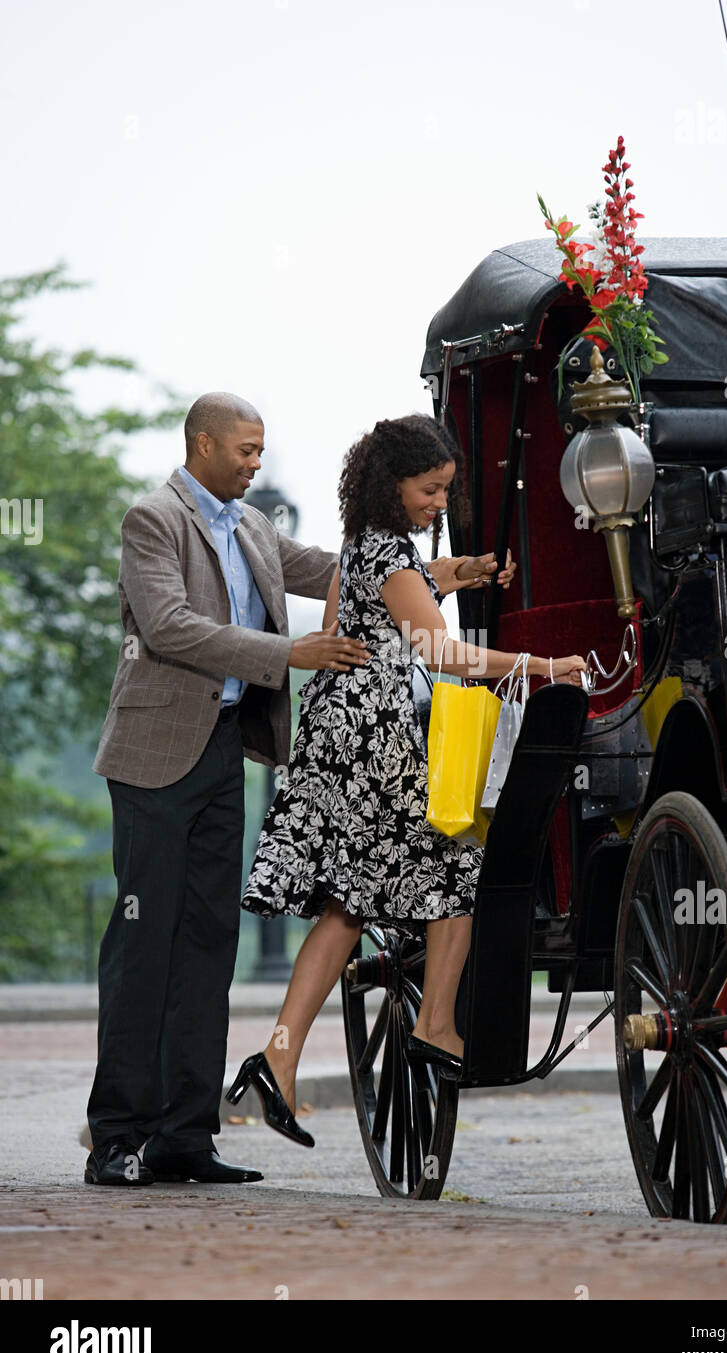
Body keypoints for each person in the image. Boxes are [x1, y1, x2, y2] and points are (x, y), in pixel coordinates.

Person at [86, 393, 513, 1187]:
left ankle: (185, 1135)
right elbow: (168, 625)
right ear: (203, 443)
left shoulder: (251, 527)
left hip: (222, 748)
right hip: (152, 756)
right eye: (245, 450)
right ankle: (116, 1135)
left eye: (260, 450)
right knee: (146, 941)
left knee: (210, 942)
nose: (255, 461)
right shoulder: (154, 519)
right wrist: (291, 652)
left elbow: (348, 572)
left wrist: (455, 572)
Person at [232, 414, 585, 1143]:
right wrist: (544, 667)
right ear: (393, 487)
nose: (439, 505)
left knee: (348, 905)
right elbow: (440, 652)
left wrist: (469, 569)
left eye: (445, 492)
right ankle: (434, 1025)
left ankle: (277, 1058)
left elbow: (396, 598)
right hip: (374, 745)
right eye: (430, 491)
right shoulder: (389, 552)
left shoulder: (366, 545)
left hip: (337, 736)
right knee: (457, 871)